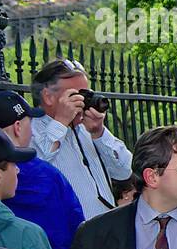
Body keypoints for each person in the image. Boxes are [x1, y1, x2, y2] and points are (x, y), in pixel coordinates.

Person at [0, 90, 85, 249]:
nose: (32, 132)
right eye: (30, 124)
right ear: (18, 127)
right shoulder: (45, 174)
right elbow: (77, 225)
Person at [29, 58, 133, 220]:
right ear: (48, 97)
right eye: (75, 95)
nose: (83, 101)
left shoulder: (86, 128)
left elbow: (124, 170)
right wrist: (61, 122)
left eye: (86, 94)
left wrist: (99, 132)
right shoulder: (31, 130)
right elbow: (35, 170)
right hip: (69, 237)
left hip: (106, 229)